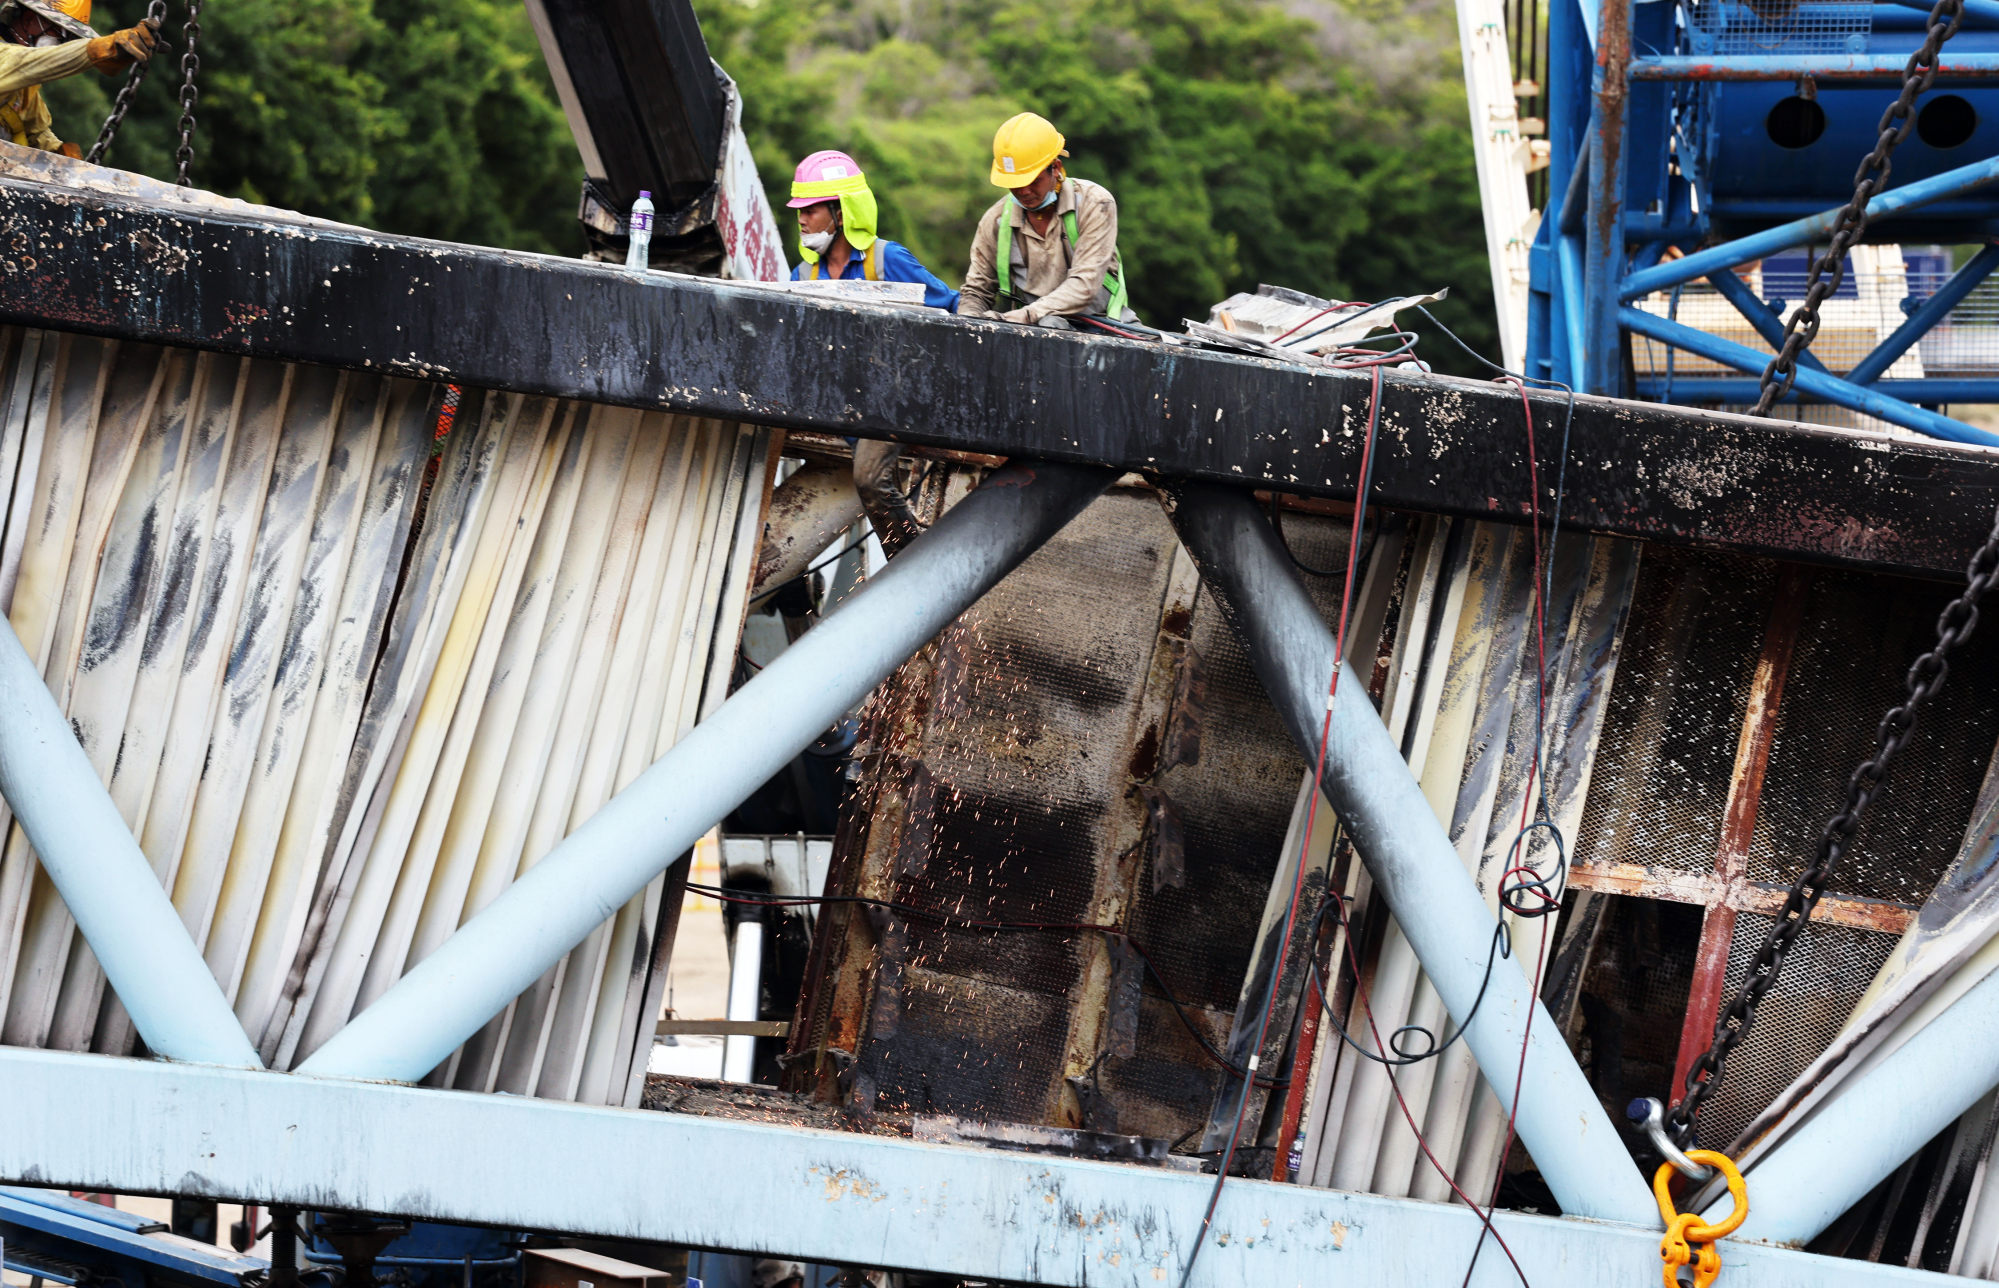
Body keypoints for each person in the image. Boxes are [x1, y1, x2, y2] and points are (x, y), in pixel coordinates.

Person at [788, 149, 958, 553]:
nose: (802, 218)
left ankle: (909, 565)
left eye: (811, 209)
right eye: (799, 209)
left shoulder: (887, 260)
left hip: (893, 399)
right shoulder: (803, 275)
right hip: (842, 400)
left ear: (842, 213)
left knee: (868, 478)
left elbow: (952, 306)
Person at [956, 112, 1132, 327]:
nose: (1024, 191)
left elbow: (1084, 284)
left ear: (1055, 168)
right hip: (1031, 333)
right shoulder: (995, 221)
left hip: (1106, 327)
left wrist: (1027, 315)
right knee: (1047, 325)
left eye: (1033, 181)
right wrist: (969, 324)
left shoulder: (1094, 203)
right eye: (1015, 184)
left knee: (1051, 323)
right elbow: (976, 291)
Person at [0, 0, 158, 156]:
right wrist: (104, 49)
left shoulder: (23, 87)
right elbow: (38, 61)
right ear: (29, 20)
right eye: (61, 33)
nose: (64, 43)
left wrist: (58, 153)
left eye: (71, 38)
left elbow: (36, 132)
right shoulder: (6, 57)